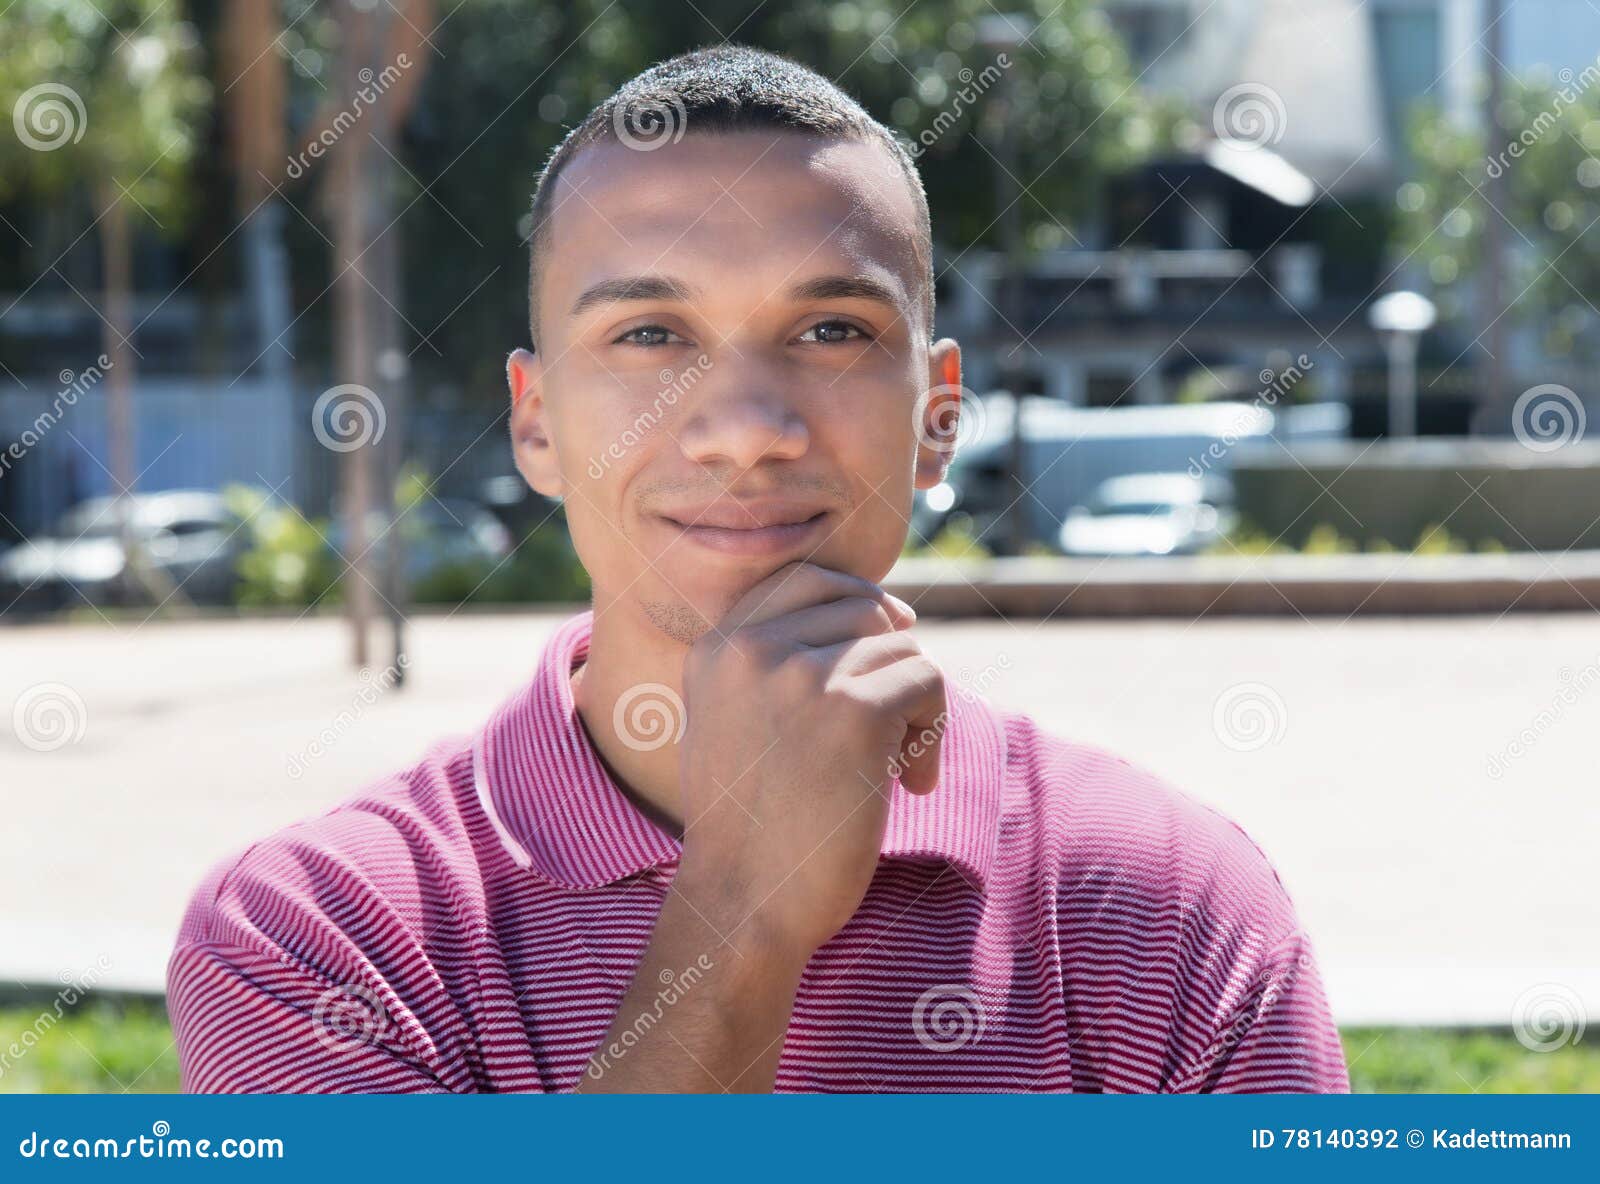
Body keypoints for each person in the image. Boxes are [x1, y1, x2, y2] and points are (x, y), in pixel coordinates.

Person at [168, 45, 1348, 1093]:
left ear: (938, 414)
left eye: (831, 330)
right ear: (536, 423)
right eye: (648, 335)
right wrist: (740, 909)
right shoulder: (315, 934)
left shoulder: (1171, 901)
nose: (743, 426)